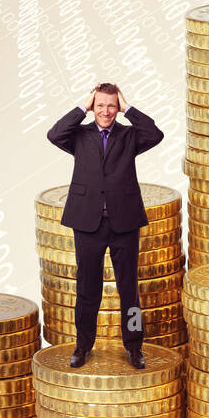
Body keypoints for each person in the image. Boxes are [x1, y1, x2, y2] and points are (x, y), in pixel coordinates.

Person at [46, 84, 164, 368]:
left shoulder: (129, 135)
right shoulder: (79, 135)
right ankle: (83, 345)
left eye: (111, 106)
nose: (106, 111)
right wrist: (81, 107)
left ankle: (134, 347)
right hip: (88, 223)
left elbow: (155, 134)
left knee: (130, 290)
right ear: (92, 106)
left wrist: (129, 108)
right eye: (100, 105)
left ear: (118, 107)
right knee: (88, 289)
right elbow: (54, 134)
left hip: (124, 221)